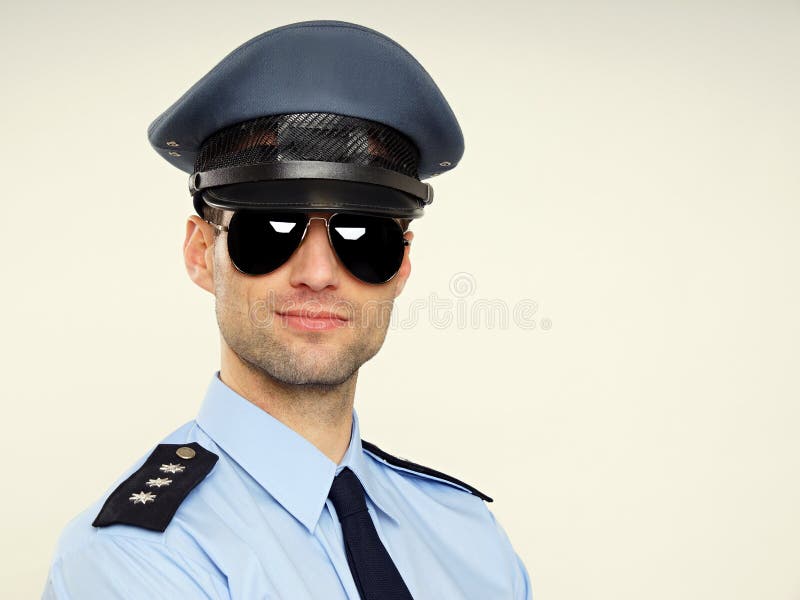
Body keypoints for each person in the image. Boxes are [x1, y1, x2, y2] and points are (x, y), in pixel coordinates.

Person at [43, 19, 533, 599]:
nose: (318, 275)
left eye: (364, 235)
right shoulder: (136, 559)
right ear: (203, 253)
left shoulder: (469, 539)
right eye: (268, 231)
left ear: (402, 265)